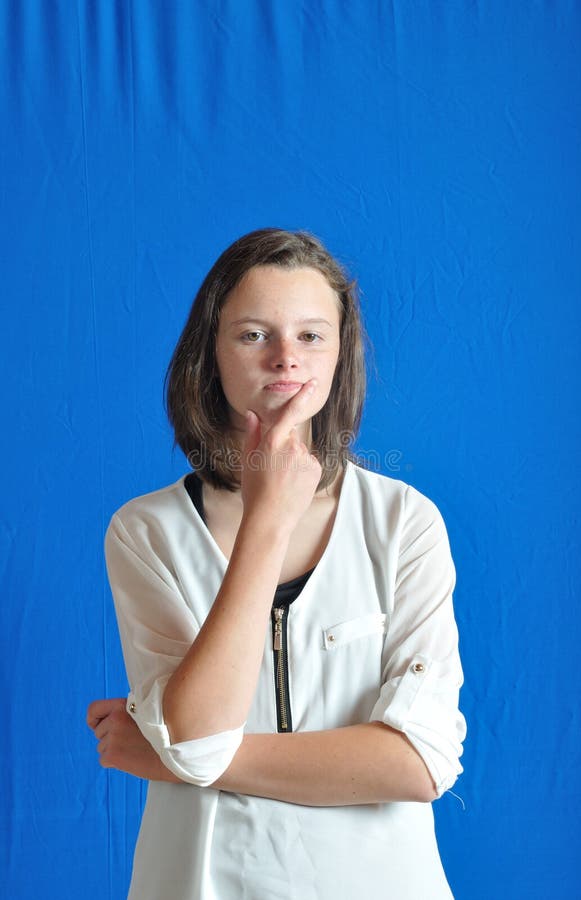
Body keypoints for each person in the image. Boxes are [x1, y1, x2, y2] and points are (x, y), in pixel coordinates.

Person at [87, 228, 466, 900]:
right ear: (212, 353)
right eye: (254, 335)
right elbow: (196, 741)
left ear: (341, 352)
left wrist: (178, 761)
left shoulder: (405, 523)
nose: (286, 359)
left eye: (312, 335)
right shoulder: (146, 532)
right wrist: (268, 518)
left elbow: (420, 761)